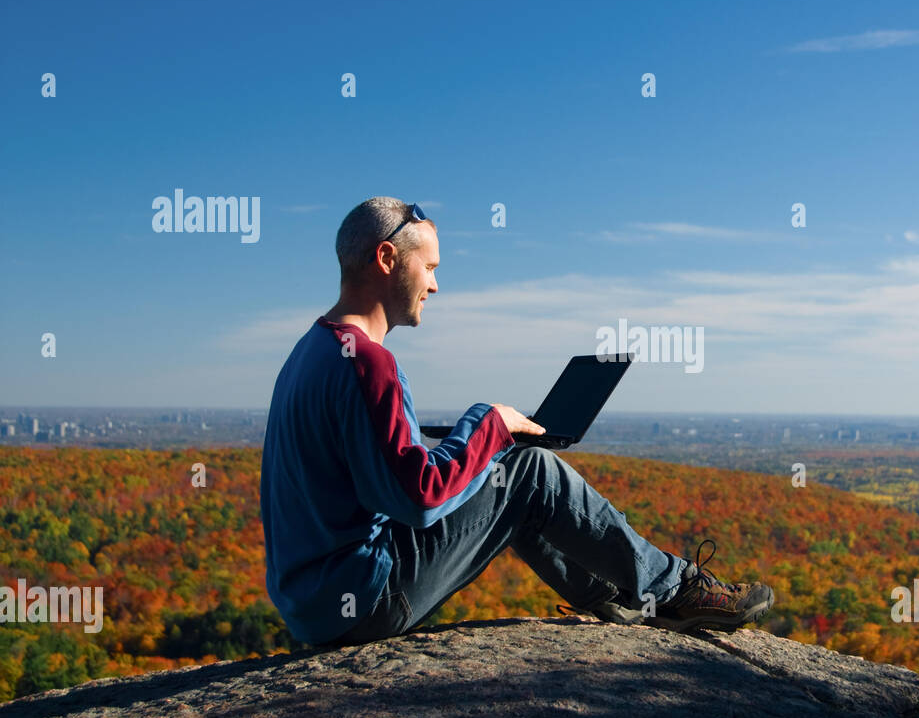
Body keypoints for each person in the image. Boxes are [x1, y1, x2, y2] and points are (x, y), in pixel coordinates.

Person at [260, 196, 774, 649]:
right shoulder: (368, 362)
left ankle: (616, 595)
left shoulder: (311, 351)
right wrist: (489, 423)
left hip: (315, 604)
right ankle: (675, 590)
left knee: (504, 470)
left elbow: (377, 486)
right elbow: (418, 498)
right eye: (431, 268)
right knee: (531, 472)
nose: (435, 286)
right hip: (366, 598)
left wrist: (483, 449)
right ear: (388, 258)